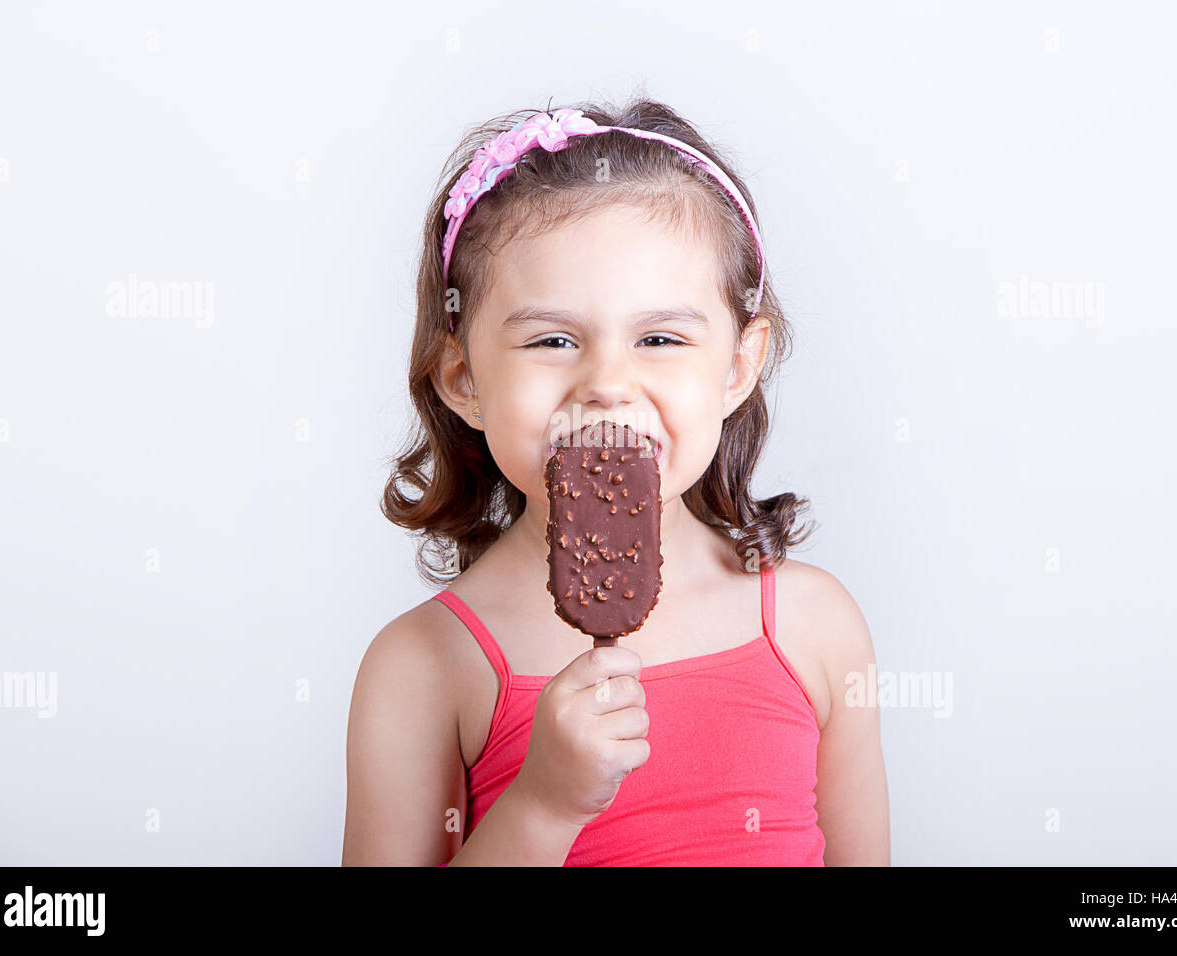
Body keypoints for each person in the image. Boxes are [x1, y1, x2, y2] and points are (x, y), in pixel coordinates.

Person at [342, 97, 890, 866]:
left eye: (659, 338)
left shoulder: (814, 626)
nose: (608, 383)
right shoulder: (424, 666)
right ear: (463, 377)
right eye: (553, 339)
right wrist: (542, 805)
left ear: (737, 365)